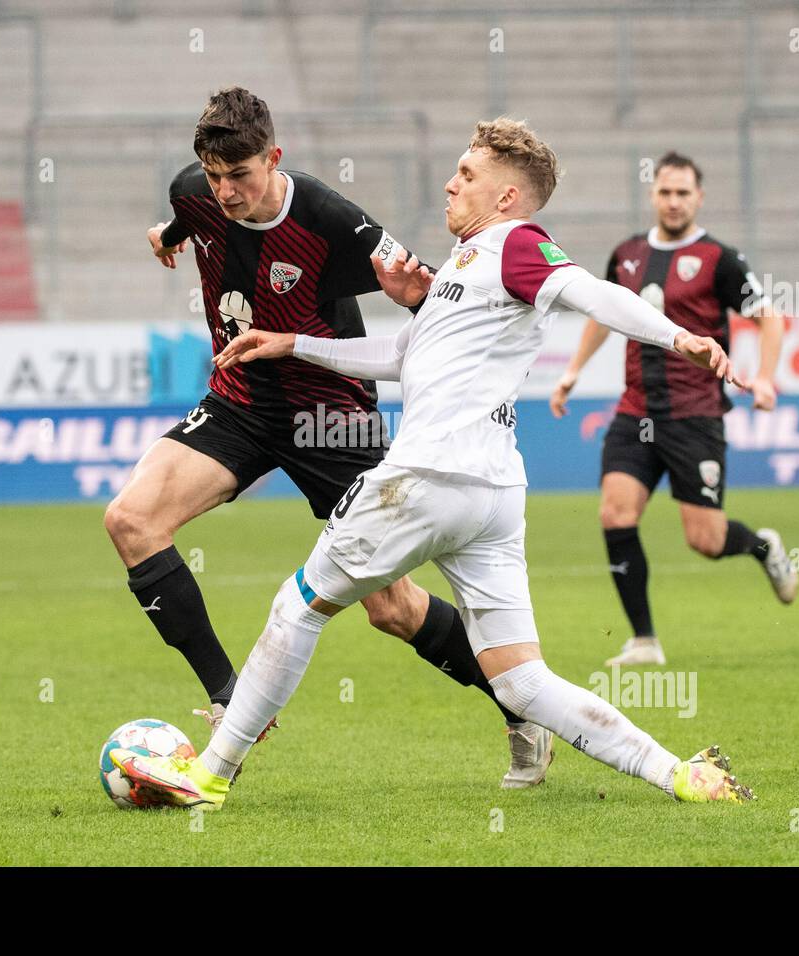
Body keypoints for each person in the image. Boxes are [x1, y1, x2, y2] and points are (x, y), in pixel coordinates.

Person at [112, 118, 755, 810]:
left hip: (425, 479)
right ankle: (682, 775)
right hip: (492, 495)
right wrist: (292, 343)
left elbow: (591, 293)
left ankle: (208, 774)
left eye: (468, 175)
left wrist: (681, 336)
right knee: (521, 681)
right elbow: (395, 358)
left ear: (507, 197)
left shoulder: (517, 245)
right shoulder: (466, 269)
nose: (451, 183)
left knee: (296, 607)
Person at [104, 87, 554, 787]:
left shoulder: (330, 220)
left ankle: (523, 706)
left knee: (392, 609)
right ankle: (229, 702)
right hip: (239, 401)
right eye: (213, 176)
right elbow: (185, 221)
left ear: (274, 158)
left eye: (241, 176)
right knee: (131, 519)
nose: (224, 192)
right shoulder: (193, 193)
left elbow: (427, 295)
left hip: (331, 417)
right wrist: (165, 237)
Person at [549, 151, 798, 667]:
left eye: (684, 192)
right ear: (653, 194)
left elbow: (768, 318)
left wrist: (767, 378)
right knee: (615, 513)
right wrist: (572, 370)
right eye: (665, 191)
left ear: (699, 197)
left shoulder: (720, 259)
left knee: (704, 540)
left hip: (695, 414)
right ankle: (644, 641)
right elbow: (603, 314)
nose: (674, 201)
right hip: (635, 410)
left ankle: (763, 548)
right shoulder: (627, 254)